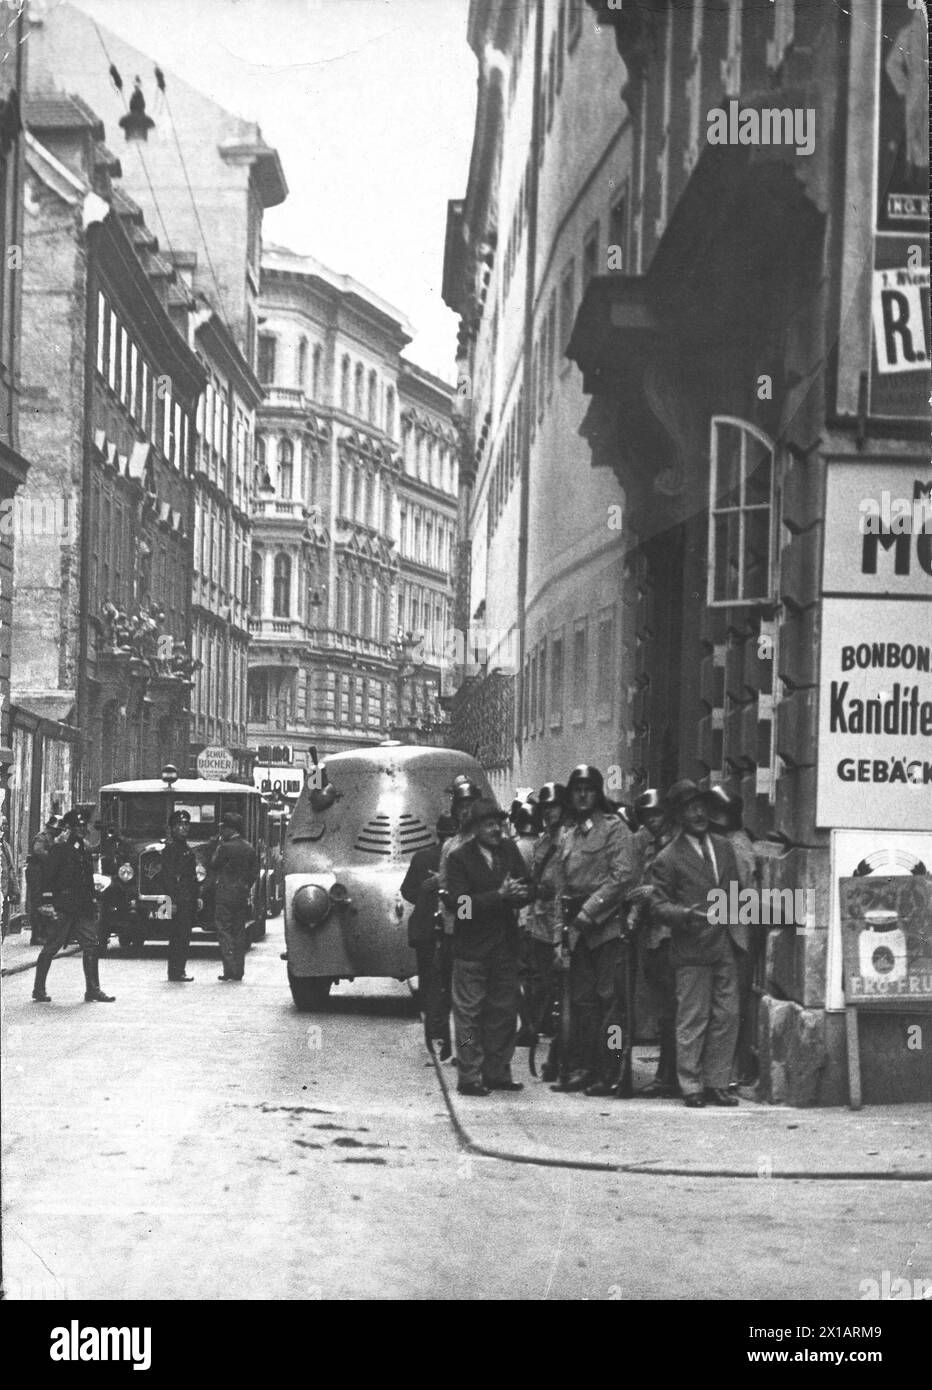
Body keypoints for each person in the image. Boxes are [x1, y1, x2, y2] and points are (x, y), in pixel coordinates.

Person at [650, 780, 745, 1108]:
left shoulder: (724, 846)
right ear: (678, 815)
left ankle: (717, 1082)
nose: (698, 812)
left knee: (727, 1015)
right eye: (689, 808)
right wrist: (681, 914)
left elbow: (736, 891)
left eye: (701, 805)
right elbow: (657, 905)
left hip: (724, 943)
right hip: (691, 947)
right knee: (693, 1018)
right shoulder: (668, 857)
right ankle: (690, 1085)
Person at [553, 765, 639, 1097]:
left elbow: (622, 877)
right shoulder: (568, 834)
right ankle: (585, 1067)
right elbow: (561, 891)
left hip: (606, 928)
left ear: (598, 792)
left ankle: (612, 1068)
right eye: (577, 790)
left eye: (589, 789)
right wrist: (560, 938)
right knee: (582, 1004)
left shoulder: (615, 828)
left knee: (611, 1004)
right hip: (577, 931)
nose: (583, 795)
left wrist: (587, 914)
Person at [444, 799, 530, 1096]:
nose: (496, 830)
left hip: (505, 949)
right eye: (489, 825)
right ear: (476, 829)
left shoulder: (509, 851)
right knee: (469, 1017)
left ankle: (497, 1071)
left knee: (504, 1014)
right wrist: (499, 896)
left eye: (499, 824)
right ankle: (469, 1075)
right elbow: (461, 906)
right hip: (472, 952)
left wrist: (522, 894)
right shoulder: (459, 859)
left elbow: (526, 885)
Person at [33, 808, 114, 1003]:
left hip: (82, 906)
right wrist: (47, 902)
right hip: (64, 905)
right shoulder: (59, 849)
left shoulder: (83, 850)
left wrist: (93, 900)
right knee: (52, 945)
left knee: (91, 945)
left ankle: (93, 989)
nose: (81, 829)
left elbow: (87, 878)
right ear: (68, 828)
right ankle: (38, 989)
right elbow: (48, 878)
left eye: (83, 826)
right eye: (77, 826)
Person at [628, 788, 678, 1098]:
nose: (653, 822)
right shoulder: (649, 847)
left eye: (657, 815)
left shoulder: (677, 847)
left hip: (673, 936)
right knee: (662, 1009)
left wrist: (650, 894)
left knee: (672, 1009)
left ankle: (670, 1075)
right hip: (653, 937)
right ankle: (664, 1072)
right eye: (648, 818)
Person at [707, 786, 758, 1087]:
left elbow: (739, 894)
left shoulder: (736, 845)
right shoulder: (725, 842)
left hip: (733, 932)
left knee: (730, 1008)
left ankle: (733, 1071)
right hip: (725, 929)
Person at [400, 813, 456, 1058]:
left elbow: (407, 891)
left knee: (431, 986)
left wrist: (425, 897)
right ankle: (453, 1045)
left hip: (427, 930)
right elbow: (467, 901)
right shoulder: (461, 857)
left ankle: (437, 1038)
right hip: (452, 932)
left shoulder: (423, 857)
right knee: (455, 991)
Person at [525, 783, 566, 1081]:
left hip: (561, 927)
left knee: (563, 997)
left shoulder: (567, 840)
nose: (550, 813)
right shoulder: (542, 842)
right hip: (540, 928)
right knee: (543, 990)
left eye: (554, 807)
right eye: (546, 808)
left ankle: (559, 1059)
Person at [209, 811, 259, 982]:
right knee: (239, 932)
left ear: (231, 829)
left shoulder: (225, 847)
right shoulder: (249, 847)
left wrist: (217, 846)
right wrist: (245, 886)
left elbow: (214, 864)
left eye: (224, 828)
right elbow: (254, 873)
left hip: (225, 895)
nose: (222, 832)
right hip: (241, 895)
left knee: (224, 930)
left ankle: (229, 969)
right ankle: (239, 970)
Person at [161, 810, 199, 983]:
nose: (183, 828)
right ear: (172, 829)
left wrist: (197, 896)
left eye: (186, 825)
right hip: (178, 899)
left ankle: (179, 969)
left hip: (187, 899)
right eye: (179, 825)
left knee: (184, 936)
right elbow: (168, 878)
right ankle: (176, 971)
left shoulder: (185, 849)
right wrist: (172, 901)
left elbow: (191, 877)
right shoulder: (171, 849)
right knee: (177, 936)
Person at [27, 815, 60, 945]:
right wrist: (52, 858)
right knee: (37, 902)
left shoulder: (52, 838)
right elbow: (38, 851)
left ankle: (44, 932)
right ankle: (36, 935)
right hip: (36, 871)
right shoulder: (42, 837)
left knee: (45, 901)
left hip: (44, 871)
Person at [1, 815, 20, 936]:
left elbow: (11, 870)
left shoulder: (6, 846)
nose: (5, 827)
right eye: (3, 825)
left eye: (6, 824)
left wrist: (15, 891)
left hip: (5, 891)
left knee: (3, 923)